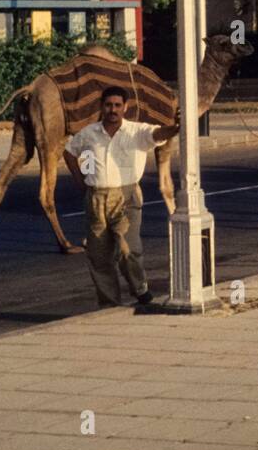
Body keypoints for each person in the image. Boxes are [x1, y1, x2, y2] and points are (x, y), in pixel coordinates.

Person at [63, 86, 179, 307]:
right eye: (108, 105)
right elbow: (69, 152)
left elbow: (157, 134)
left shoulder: (136, 131)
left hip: (126, 198)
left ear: (125, 107)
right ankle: (109, 303)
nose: (113, 110)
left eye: (117, 105)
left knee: (128, 248)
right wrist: (80, 180)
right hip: (96, 198)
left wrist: (175, 128)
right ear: (102, 107)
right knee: (98, 256)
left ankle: (140, 289)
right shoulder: (90, 133)